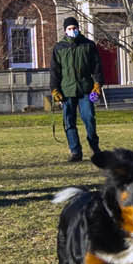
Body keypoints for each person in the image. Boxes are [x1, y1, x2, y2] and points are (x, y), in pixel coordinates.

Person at [48, 17, 104, 163]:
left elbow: (97, 67)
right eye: (69, 28)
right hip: (67, 91)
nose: (72, 30)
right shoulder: (59, 48)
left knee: (89, 118)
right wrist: (54, 89)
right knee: (69, 122)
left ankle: (95, 148)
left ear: (78, 28)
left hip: (86, 89)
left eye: (74, 28)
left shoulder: (89, 45)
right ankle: (75, 151)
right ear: (65, 30)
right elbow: (54, 71)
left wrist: (97, 84)